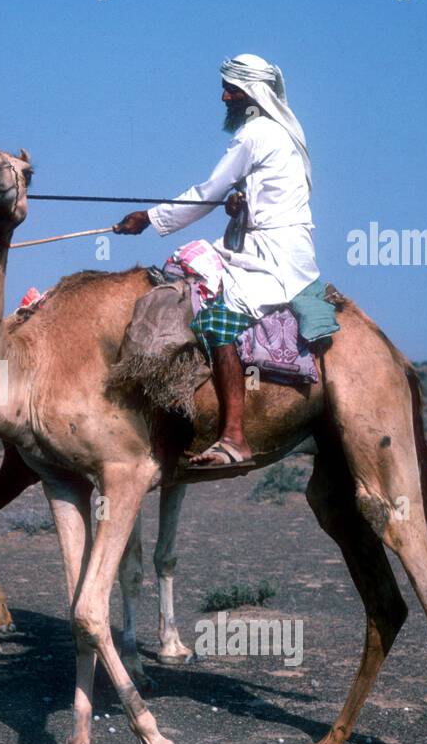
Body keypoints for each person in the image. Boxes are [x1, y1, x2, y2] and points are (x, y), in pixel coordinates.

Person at [114, 53, 319, 469]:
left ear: (253, 94)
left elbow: (208, 191)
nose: (225, 96)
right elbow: (264, 198)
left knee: (215, 320)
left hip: (274, 258)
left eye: (232, 90)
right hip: (266, 247)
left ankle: (235, 436)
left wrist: (149, 218)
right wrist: (241, 204)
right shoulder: (280, 134)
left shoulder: (256, 133)